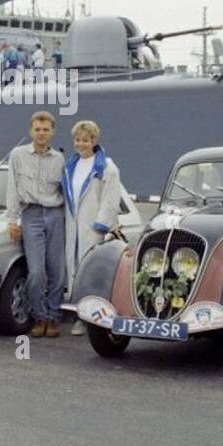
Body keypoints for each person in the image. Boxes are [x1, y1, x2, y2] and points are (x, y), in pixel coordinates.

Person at [5, 111, 67, 338]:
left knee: (57, 271)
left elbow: (65, 191)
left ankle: (53, 318)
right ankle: (39, 316)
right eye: (38, 129)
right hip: (30, 215)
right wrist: (12, 219)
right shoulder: (18, 155)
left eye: (46, 130)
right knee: (37, 272)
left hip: (54, 214)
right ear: (31, 131)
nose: (41, 133)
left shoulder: (59, 159)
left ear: (52, 132)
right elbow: (12, 188)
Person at [62, 119, 125, 333]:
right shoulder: (71, 165)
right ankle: (76, 310)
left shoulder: (107, 168)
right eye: (78, 140)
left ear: (94, 140)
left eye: (86, 140)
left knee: (90, 269)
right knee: (73, 267)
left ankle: (88, 317)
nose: (81, 144)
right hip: (73, 227)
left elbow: (110, 199)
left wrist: (101, 224)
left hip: (92, 228)